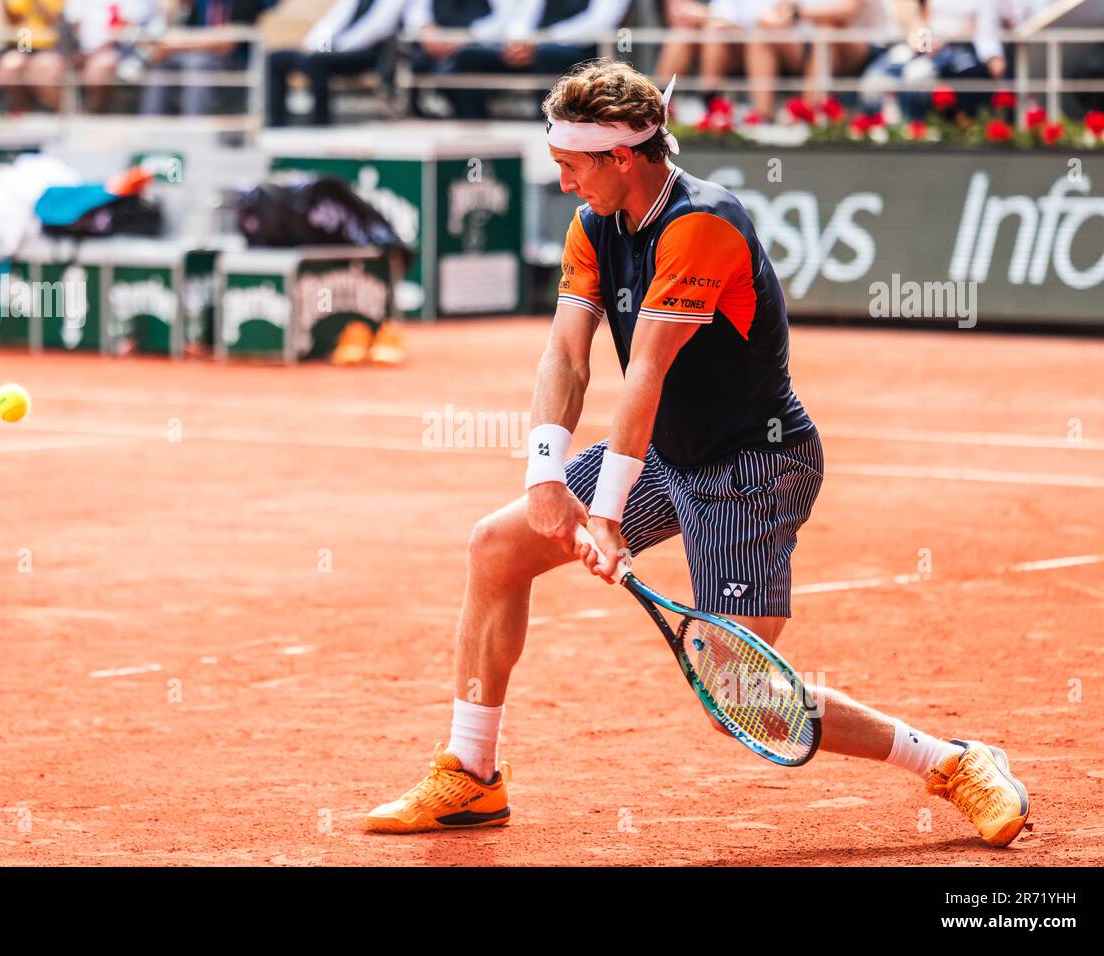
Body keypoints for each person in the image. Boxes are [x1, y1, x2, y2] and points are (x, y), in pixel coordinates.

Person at [363, 59, 1031, 849]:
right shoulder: (592, 228)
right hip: (665, 456)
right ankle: (470, 776)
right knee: (497, 546)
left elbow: (645, 369)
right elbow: (567, 359)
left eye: (571, 167)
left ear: (622, 158)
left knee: (740, 691)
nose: (564, 185)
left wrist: (604, 514)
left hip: (753, 469)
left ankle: (952, 761)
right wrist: (545, 476)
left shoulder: (704, 224)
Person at [435, 0, 631, 121]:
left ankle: (548, 124)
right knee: (469, 56)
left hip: (579, 52)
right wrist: (518, 42)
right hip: (534, 47)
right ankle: (473, 126)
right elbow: (522, 15)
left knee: (548, 57)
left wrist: (542, 40)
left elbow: (600, 22)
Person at [266, 0, 408, 127]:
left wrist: (334, 49)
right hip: (335, 50)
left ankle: (319, 123)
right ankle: (277, 123)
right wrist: (313, 46)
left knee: (316, 61)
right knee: (276, 58)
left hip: (366, 54)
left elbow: (377, 29)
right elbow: (332, 22)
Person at [859, 0, 1005, 120]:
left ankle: (911, 133)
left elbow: (982, 30)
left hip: (957, 49)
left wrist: (942, 41)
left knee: (916, 77)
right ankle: (875, 130)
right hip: (925, 46)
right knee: (875, 79)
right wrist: (923, 44)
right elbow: (923, 19)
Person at [744, 0, 896, 113]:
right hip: (810, 44)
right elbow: (782, 12)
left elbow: (845, 14)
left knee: (827, 31)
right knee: (762, 36)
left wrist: (796, 13)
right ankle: (762, 119)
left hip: (871, 48)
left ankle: (806, 117)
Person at [140, 0, 271, 116]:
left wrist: (176, 46)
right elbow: (185, 31)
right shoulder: (201, 3)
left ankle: (194, 126)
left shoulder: (244, 2)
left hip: (231, 65)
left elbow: (227, 44)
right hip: (193, 58)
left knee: (197, 63)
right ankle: (150, 125)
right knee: (163, 63)